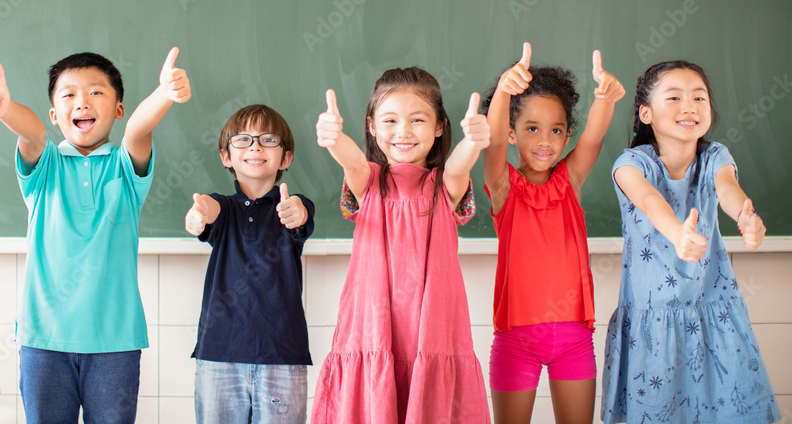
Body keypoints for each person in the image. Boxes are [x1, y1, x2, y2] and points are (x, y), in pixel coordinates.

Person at [0, 49, 190, 424]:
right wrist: (6, 108)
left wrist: (163, 94)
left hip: (115, 343)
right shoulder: (45, 168)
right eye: (69, 94)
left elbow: (140, 130)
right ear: (56, 114)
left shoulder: (125, 168)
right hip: (44, 341)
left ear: (118, 109)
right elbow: (32, 133)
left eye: (96, 92)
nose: (83, 102)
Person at [310, 67, 491, 424]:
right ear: (372, 127)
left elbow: (457, 168)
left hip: (431, 329)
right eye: (390, 120)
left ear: (440, 126)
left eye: (418, 120)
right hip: (373, 327)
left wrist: (473, 142)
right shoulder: (369, 182)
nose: (404, 131)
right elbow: (352, 161)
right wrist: (334, 140)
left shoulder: (443, 186)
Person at [601, 60, 778, 424]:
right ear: (646, 113)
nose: (690, 106)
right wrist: (677, 232)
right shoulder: (631, 164)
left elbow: (728, 189)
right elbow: (651, 202)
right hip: (655, 321)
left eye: (699, 97)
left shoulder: (715, 157)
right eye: (675, 97)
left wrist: (746, 216)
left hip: (715, 312)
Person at [481, 43, 624, 424]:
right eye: (532, 128)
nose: (545, 140)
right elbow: (492, 144)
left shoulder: (569, 180)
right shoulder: (503, 188)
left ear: (566, 136)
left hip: (574, 339)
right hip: (516, 341)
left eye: (556, 130)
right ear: (513, 134)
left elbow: (592, 140)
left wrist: (605, 99)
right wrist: (505, 93)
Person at [184, 104, 314, 423]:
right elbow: (210, 209)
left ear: (286, 157)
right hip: (219, 354)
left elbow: (301, 214)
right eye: (243, 139)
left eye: (268, 139)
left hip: (282, 356)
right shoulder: (223, 208)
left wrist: (297, 211)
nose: (255, 146)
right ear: (226, 156)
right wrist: (199, 213)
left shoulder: (293, 205)